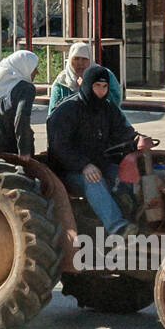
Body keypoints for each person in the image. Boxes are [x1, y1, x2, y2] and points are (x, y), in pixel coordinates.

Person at [46, 64, 154, 237]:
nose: (101, 91)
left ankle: (140, 221)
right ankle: (117, 227)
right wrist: (84, 165)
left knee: (126, 176)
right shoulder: (66, 110)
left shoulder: (108, 108)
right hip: (69, 170)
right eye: (97, 85)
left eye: (104, 86)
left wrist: (137, 139)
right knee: (94, 180)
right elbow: (60, 148)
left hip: (100, 163)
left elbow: (122, 132)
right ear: (87, 84)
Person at [0, 49, 38, 157]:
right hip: (10, 149)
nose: (37, 72)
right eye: (34, 67)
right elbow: (22, 118)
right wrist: (24, 151)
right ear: (24, 67)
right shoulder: (26, 88)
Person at [49, 41, 122, 112]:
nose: (80, 63)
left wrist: (87, 87)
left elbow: (115, 102)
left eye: (84, 59)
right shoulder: (62, 80)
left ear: (90, 60)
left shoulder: (103, 74)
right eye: (76, 59)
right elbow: (52, 112)